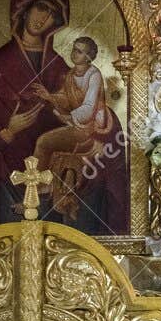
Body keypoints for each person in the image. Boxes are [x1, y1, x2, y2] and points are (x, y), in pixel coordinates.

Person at [0, 0, 128, 236]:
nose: (43, 19)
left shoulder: (64, 70)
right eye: (41, 8)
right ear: (24, 9)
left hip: (55, 193)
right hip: (2, 194)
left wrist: (99, 126)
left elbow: (89, 110)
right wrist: (6, 134)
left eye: (52, 14)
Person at [32, 37, 115, 219]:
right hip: (77, 123)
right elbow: (65, 98)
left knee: (43, 142)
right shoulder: (71, 75)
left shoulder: (94, 75)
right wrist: (49, 97)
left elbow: (89, 106)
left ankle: (38, 189)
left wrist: (69, 117)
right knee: (44, 139)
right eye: (74, 49)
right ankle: (44, 187)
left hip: (92, 127)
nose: (74, 53)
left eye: (79, 51)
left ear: (89, 57)